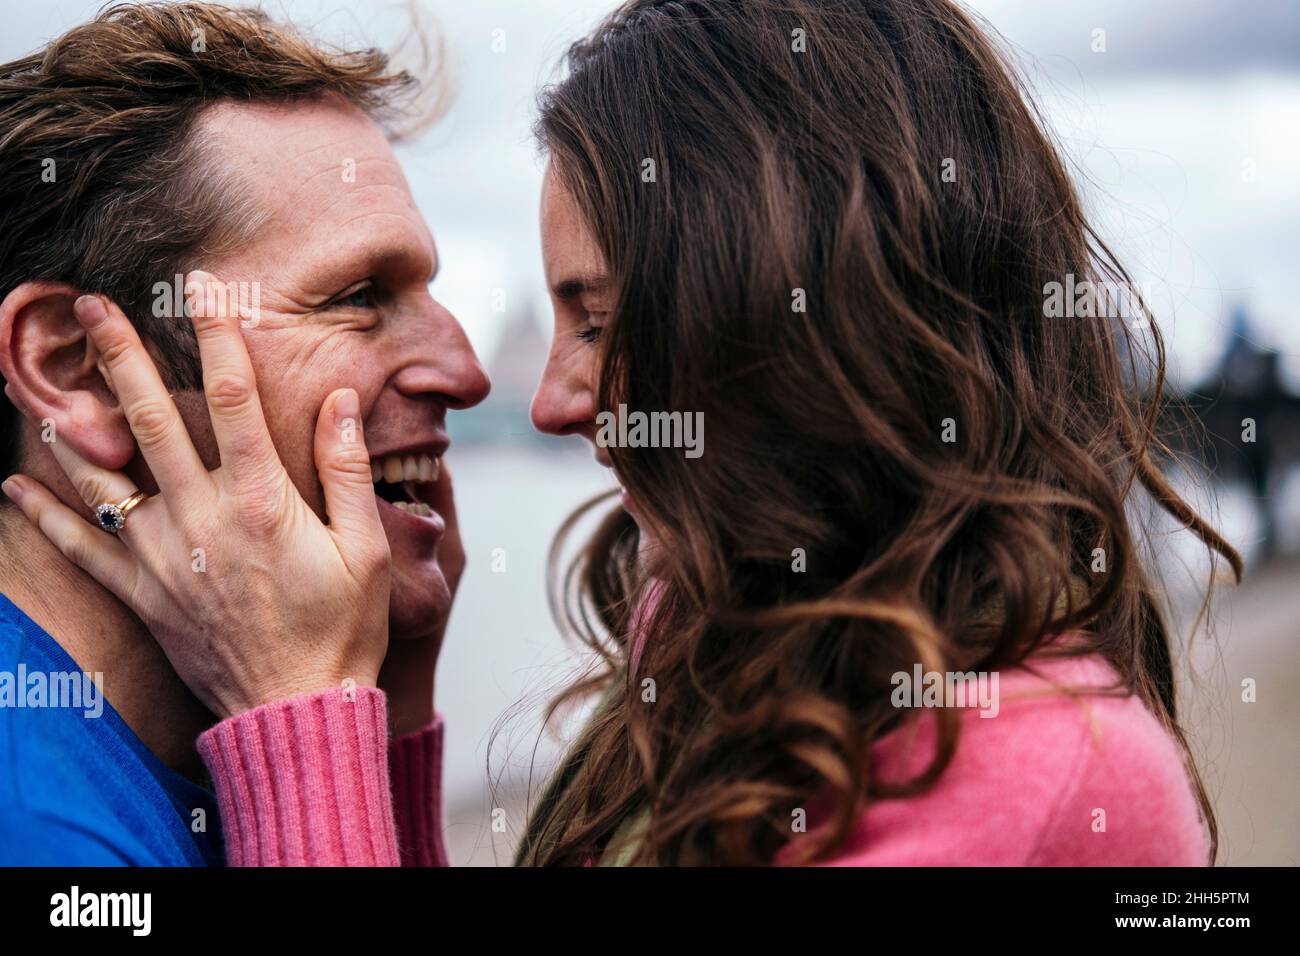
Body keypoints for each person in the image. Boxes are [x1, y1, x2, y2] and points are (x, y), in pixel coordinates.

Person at [5, 0, 1241, 867]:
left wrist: (327, 716)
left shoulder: (1035, 768)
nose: (502, 385)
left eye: (600, 318)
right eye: (355, 297)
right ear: (71, 363)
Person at [0, 2, 486, 864]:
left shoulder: (178, 755)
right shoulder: (43, 835)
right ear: (77, 369)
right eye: (360, 296)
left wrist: (377, 705)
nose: (464, 372)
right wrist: (312, 710)